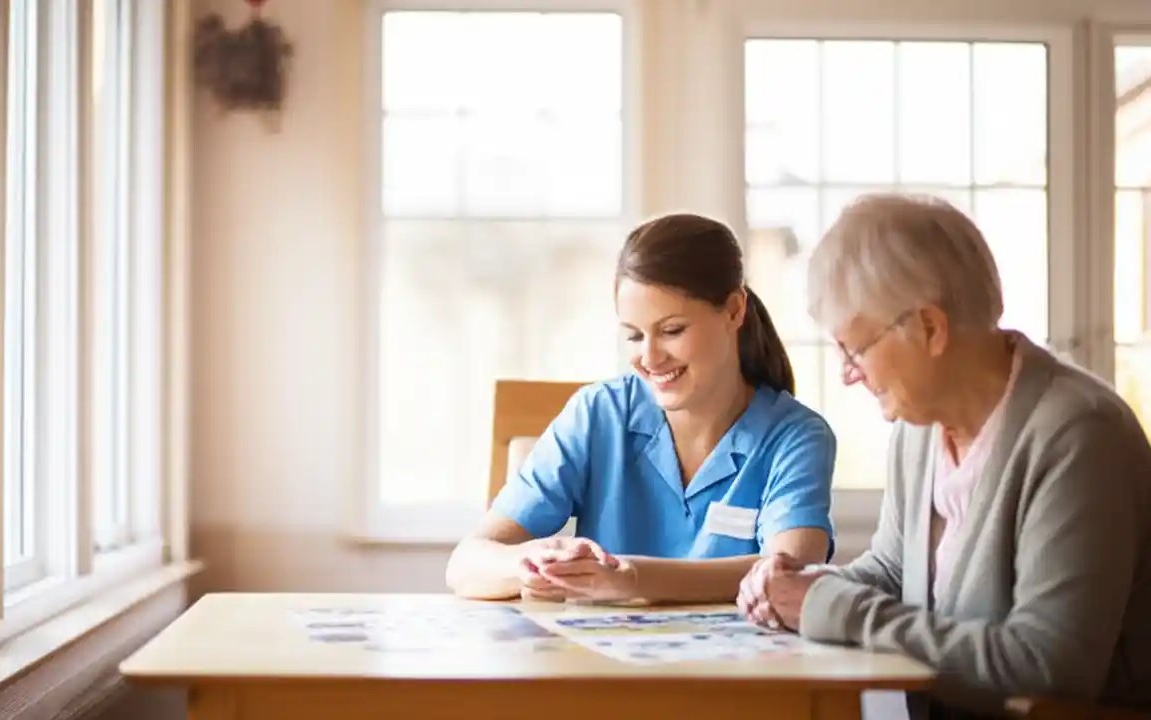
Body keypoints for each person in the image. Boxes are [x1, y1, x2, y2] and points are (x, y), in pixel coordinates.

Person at [738, 193, 1151, 717]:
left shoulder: (1079, 435)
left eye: (855, 349)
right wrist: (799, 586)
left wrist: (833, 607)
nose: (848, 372)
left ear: (930, 328)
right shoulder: (920, 428)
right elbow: (893, 571)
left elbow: (1049, 668)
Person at [444, 213, 836, 604]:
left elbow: (791, 572)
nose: (649, 357)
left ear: (734, 310)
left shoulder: (796, 436)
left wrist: (630, 580)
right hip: (603, 663)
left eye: (671, 331)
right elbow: (465, 565)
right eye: (633, 335)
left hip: (738, 666)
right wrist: (530, 564)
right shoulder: (598, 414)